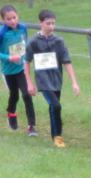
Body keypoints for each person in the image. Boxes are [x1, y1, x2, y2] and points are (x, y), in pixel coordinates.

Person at [23, 9, 79, 148]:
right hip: (43, 81)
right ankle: (57, 136)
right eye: (48, 23)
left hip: (56, 80)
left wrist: (74, 82)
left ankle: (55, 132)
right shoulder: (33, 42)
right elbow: (26, 62)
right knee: (56, 105)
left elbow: (67, 61)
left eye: (53, 23)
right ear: (40, 23)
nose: (51, 26)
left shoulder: (59, 41)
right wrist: (29, 82)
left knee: (54, 108)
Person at [1, 5, 35, 135]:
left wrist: (25, 57)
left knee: (27, 94)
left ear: (18, 16)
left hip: (21, 68)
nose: (12, 21)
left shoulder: (23, 28)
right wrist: (9, 57)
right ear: (3, 20)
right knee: (14, 95)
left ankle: (31, 126)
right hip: (8, 71)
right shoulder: (2, 33)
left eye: (14, 17)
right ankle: (11, 113)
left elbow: (24, 43)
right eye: (8, 19)